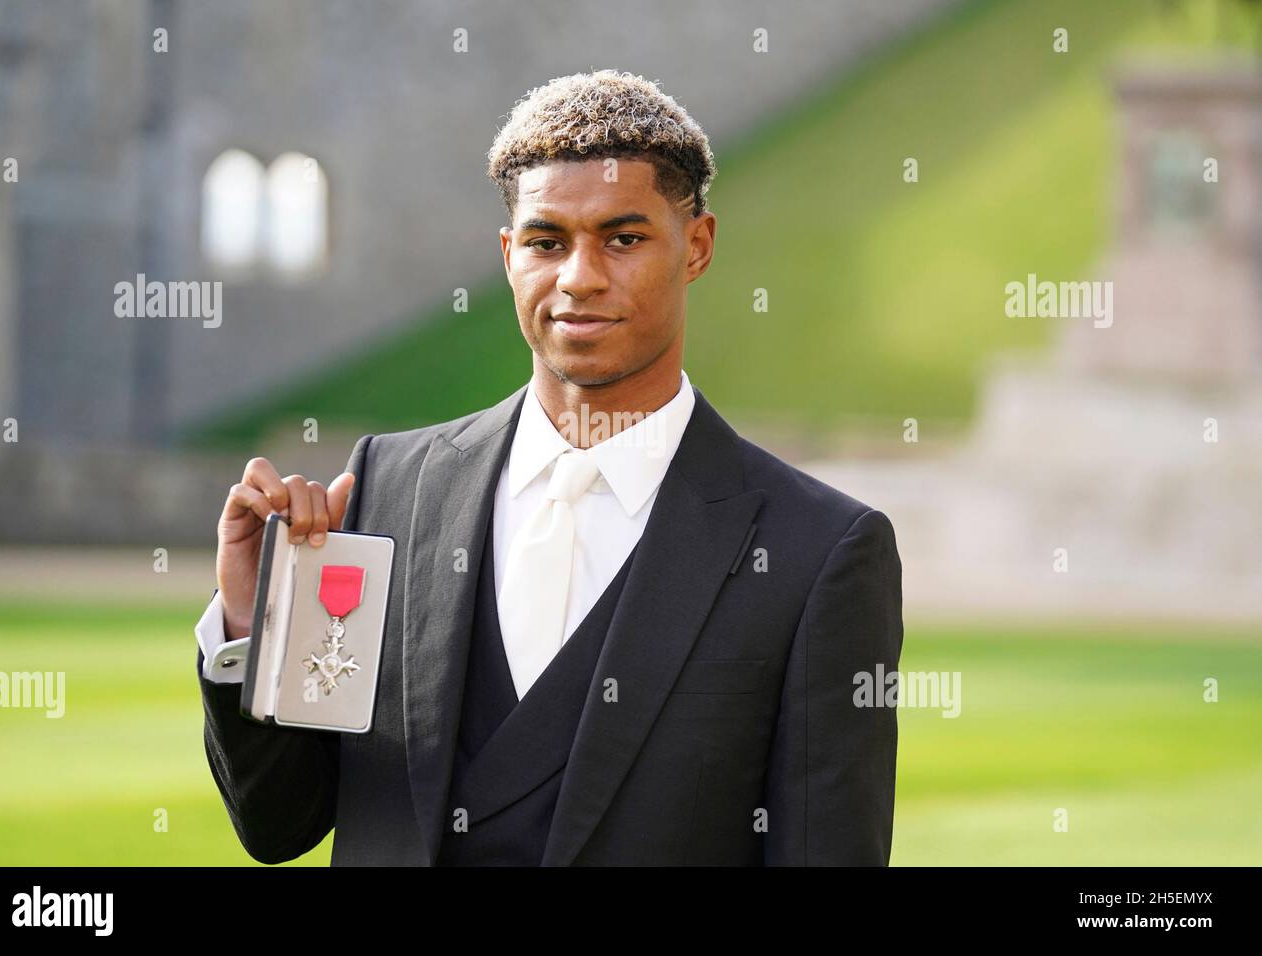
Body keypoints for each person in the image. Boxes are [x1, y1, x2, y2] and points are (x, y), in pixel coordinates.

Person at [195, 68, 904, 866]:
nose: (579, 277)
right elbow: (281, 826)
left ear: (697, 246)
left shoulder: (819, 552)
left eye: (624, 238)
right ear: (508, 255)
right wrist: (253, 624)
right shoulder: (388, 489)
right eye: (547, 241)